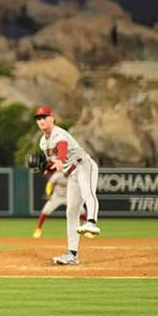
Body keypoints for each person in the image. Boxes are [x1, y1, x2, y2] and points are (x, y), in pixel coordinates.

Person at [34, 106, 101, 265]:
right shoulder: (43, 142)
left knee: (88, 192)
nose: (41, 120)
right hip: (72, 174)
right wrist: (46, 168)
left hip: (84, 165)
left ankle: (92, 222)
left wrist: (59, 161)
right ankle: (72, 253)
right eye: (38, 118)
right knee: (71, 211)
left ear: (52, 118)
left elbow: (62, 149)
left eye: (44, 117)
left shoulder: (59, 133)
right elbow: (52, 163)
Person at [31, 167, 86, 239]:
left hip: (69, 196)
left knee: (81, 210)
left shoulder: (74, 176)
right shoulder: (58, 175)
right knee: (45, 210)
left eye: (69, 170)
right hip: (57, 196)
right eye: (66, 170)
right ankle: (38, 229)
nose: (67, 172)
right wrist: (48, 194)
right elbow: (50, 184)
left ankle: (87, 229)